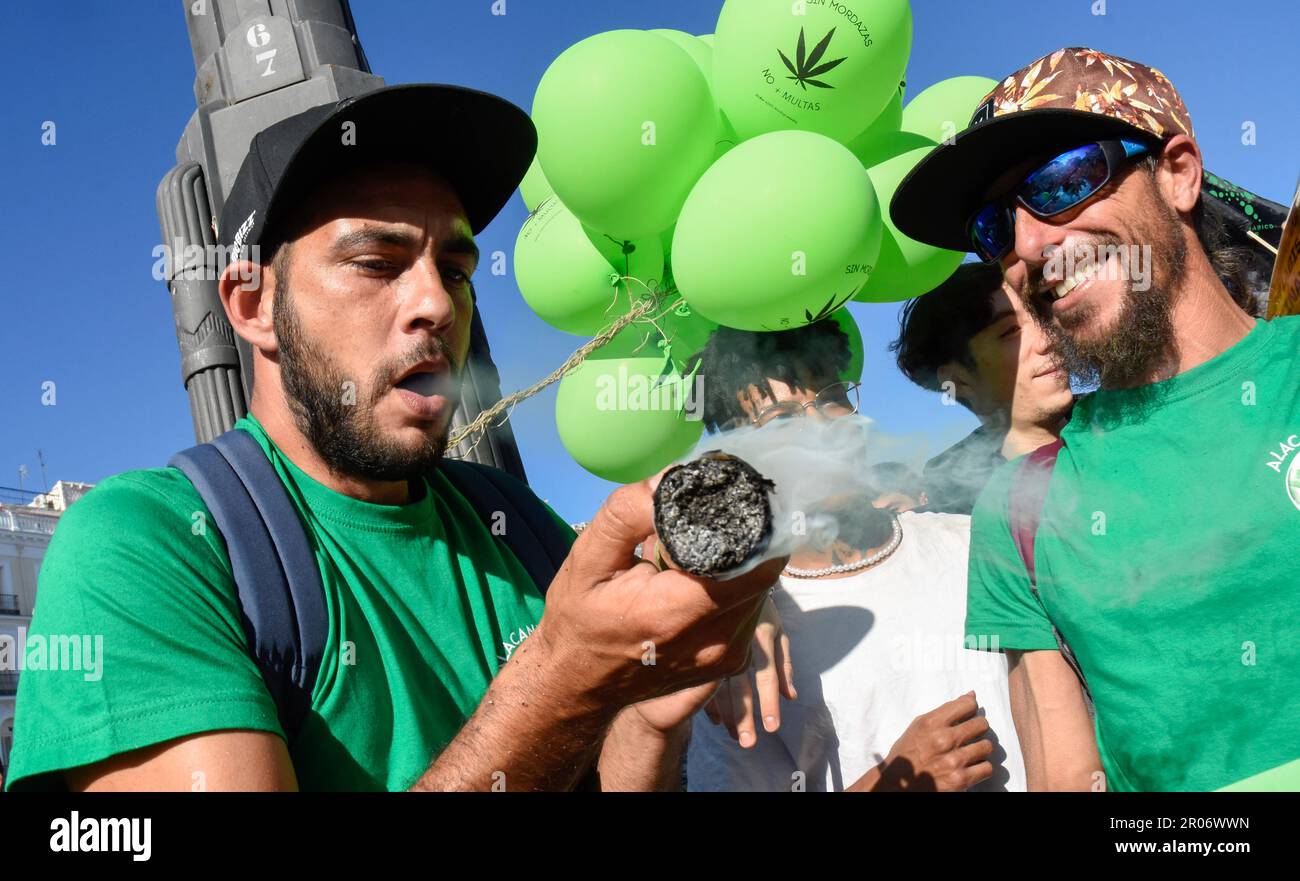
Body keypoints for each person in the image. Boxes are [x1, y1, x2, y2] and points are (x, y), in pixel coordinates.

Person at [3, 85, 785, 792]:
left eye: (455, 268)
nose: (436, 306)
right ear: (250, 305)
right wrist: (563, 677)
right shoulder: (145, 544)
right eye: (377, 261)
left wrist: (650, 711)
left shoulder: (513, 523)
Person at [891, 47, 1298, 791]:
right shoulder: (1021, 509)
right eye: (993, 226)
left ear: (1177, 171)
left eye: (1064, 181)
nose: (1030, 245)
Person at [684, 320, 1026, 792]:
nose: (824, 429)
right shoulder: (743, 646)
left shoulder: (973, 543)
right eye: (782, 419)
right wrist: (893, 784)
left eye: (830, 398)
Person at [892, 263, 1074, 514]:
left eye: (1043, 316)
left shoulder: (1124, 419)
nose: (1049, 339)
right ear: (959, 380)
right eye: (1011, 331)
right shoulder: (955, 509)